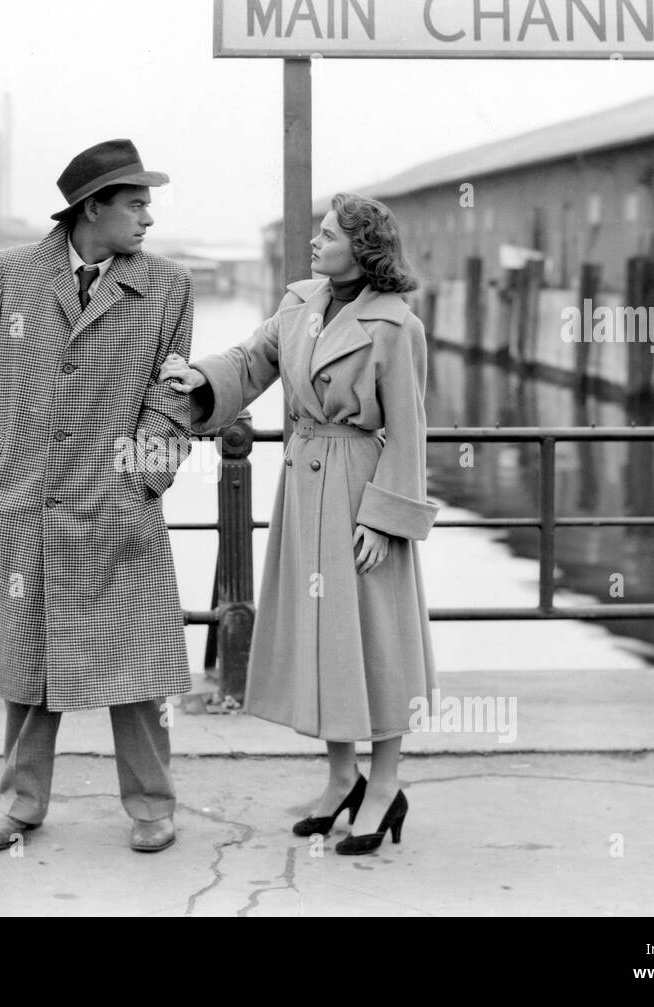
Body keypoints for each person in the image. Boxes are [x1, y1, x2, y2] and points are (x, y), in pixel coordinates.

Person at [159, 193, 438, 855]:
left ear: (362, 247)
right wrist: (196, 376)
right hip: (305, 480)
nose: (315, 242)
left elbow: (409, 428)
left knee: (378, 639)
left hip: (362, 489)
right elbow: (250, 361)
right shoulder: (298, 303)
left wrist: (386, 519)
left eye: (328, 234)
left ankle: (385, 783)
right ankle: (343, 775)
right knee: (325, 636)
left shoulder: (397, 326)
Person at [0, 138, 194, 854]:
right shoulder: (6, 277)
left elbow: (172, 401)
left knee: (138, 666)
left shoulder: (169, 286)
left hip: (117, 501)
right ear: (93, 208)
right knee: (25, 662)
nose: (148, 217)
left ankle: (152, 804)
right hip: (20, 502)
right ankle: (21, 802)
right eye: (135, 203)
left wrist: (140, 480)